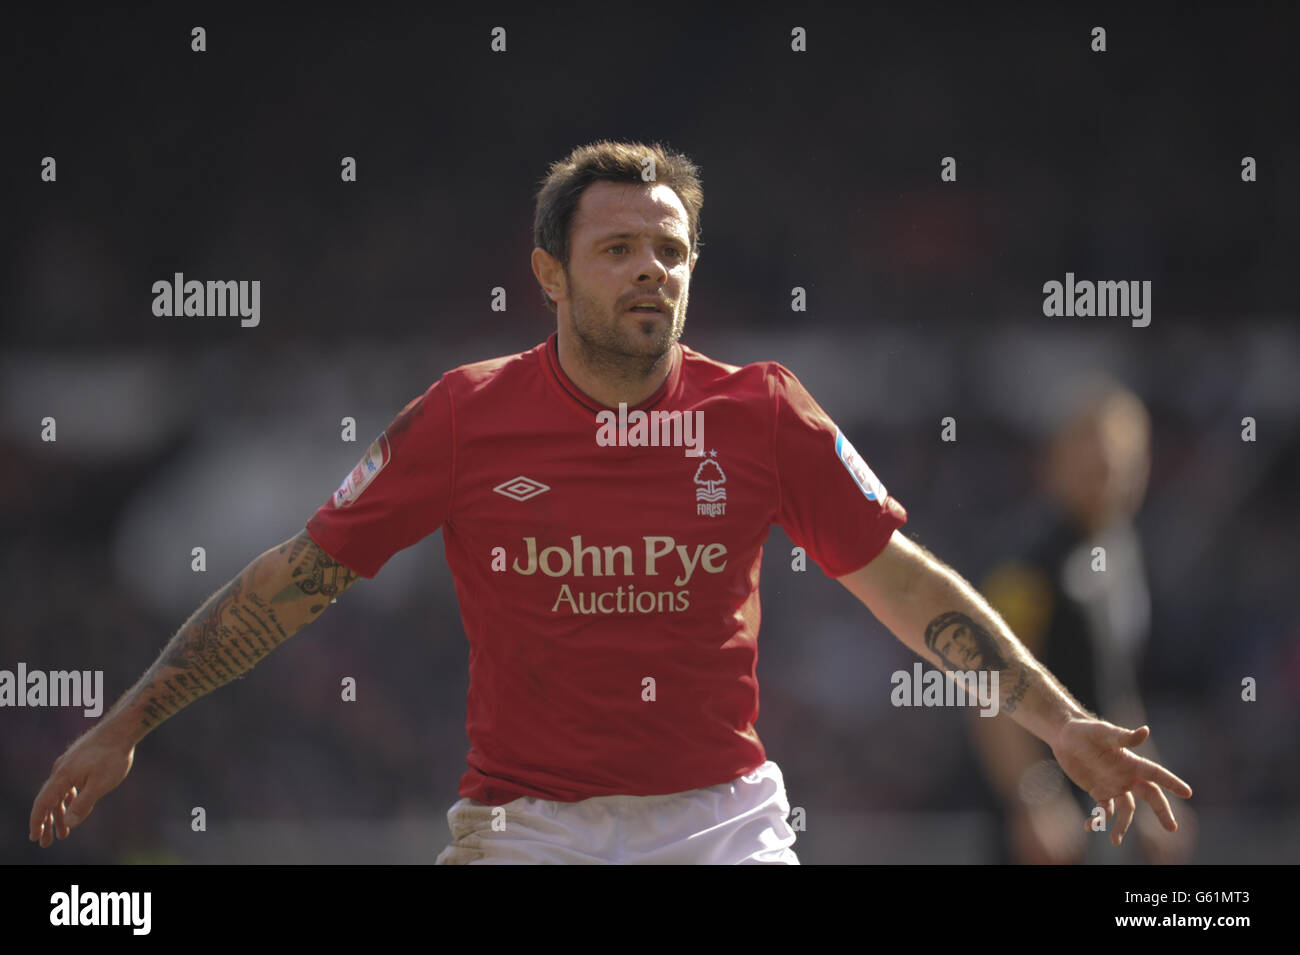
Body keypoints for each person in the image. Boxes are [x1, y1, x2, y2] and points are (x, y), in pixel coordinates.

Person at [29, 141, 1193, 864]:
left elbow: (907, 584)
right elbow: (298, 576)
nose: (651, 270)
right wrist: (127, 719)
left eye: (672, 251)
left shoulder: (763, 412)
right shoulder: (464, 416)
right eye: (619, 248)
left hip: (722, 828)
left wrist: (1059, 723)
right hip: (526, 833)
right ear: (550, 273)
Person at [972, 382, 1197, 863]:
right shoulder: (1026, 565)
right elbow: (987, 686)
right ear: (1056, 460)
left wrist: (1151, 786)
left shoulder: (1123, 554)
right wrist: (1031, 798)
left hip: (1095, 810)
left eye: (1123, 463)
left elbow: (1115, 690)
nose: (1111, 477)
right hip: (1035, 815)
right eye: (1096, 464)